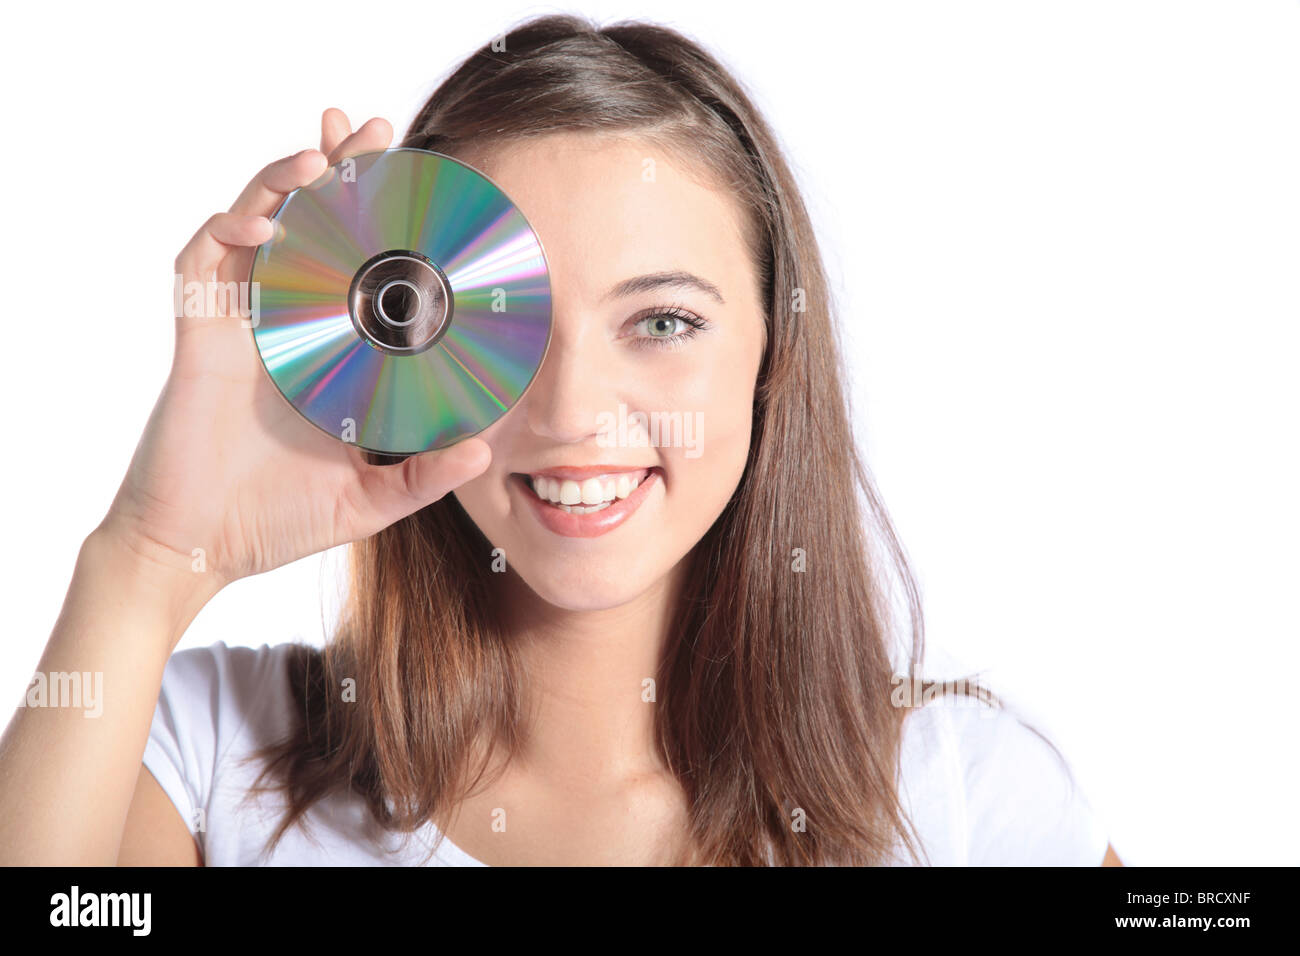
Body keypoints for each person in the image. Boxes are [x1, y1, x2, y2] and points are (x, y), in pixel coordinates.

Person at [0, 14, 1119, 867]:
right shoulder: (214, 755)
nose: (575, 409)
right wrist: (149, 557)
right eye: (500, 324)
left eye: (663, 321)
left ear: (774, 354)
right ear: (401, 347)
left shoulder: (965, 798)